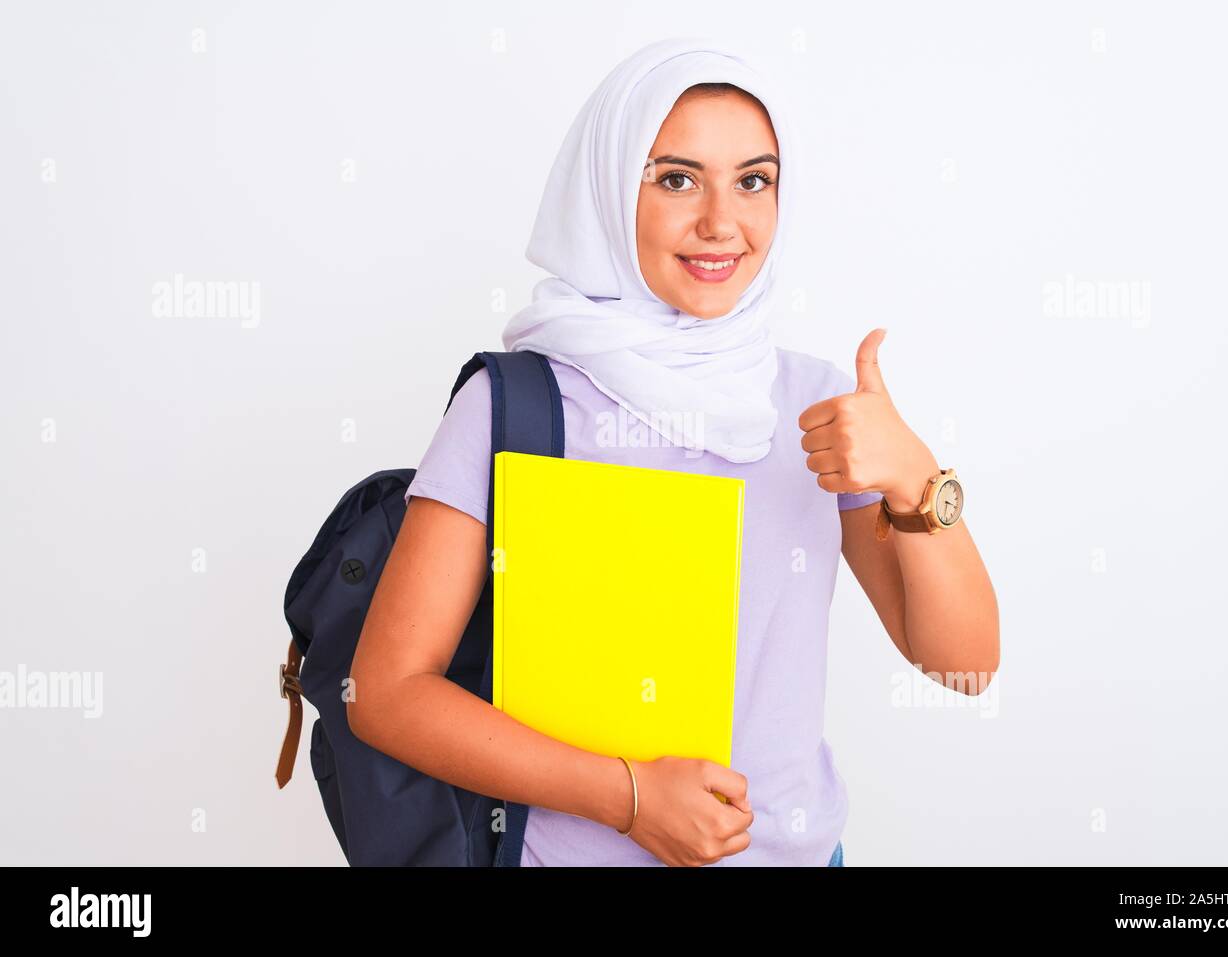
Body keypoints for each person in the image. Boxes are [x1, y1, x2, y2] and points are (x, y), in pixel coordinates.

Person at [348, 36, 999, 867]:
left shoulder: (818, 406)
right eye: (675, 178)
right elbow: (387, 693)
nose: (722, 222)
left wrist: (917, 477)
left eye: (754, 181)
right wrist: (629, 799)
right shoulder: (517, 402)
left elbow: (963, 664)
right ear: (610, 190)